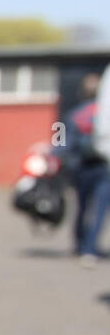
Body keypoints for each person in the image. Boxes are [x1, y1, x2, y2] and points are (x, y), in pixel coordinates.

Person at [65, 73, 109, 267]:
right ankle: (90, 249)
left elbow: (65, 142)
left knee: (82, 207)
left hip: (81, 168)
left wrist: (53, 155)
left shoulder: (75, 113)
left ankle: (80, 244)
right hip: (103, 166)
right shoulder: (105, 113)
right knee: (99, 209)